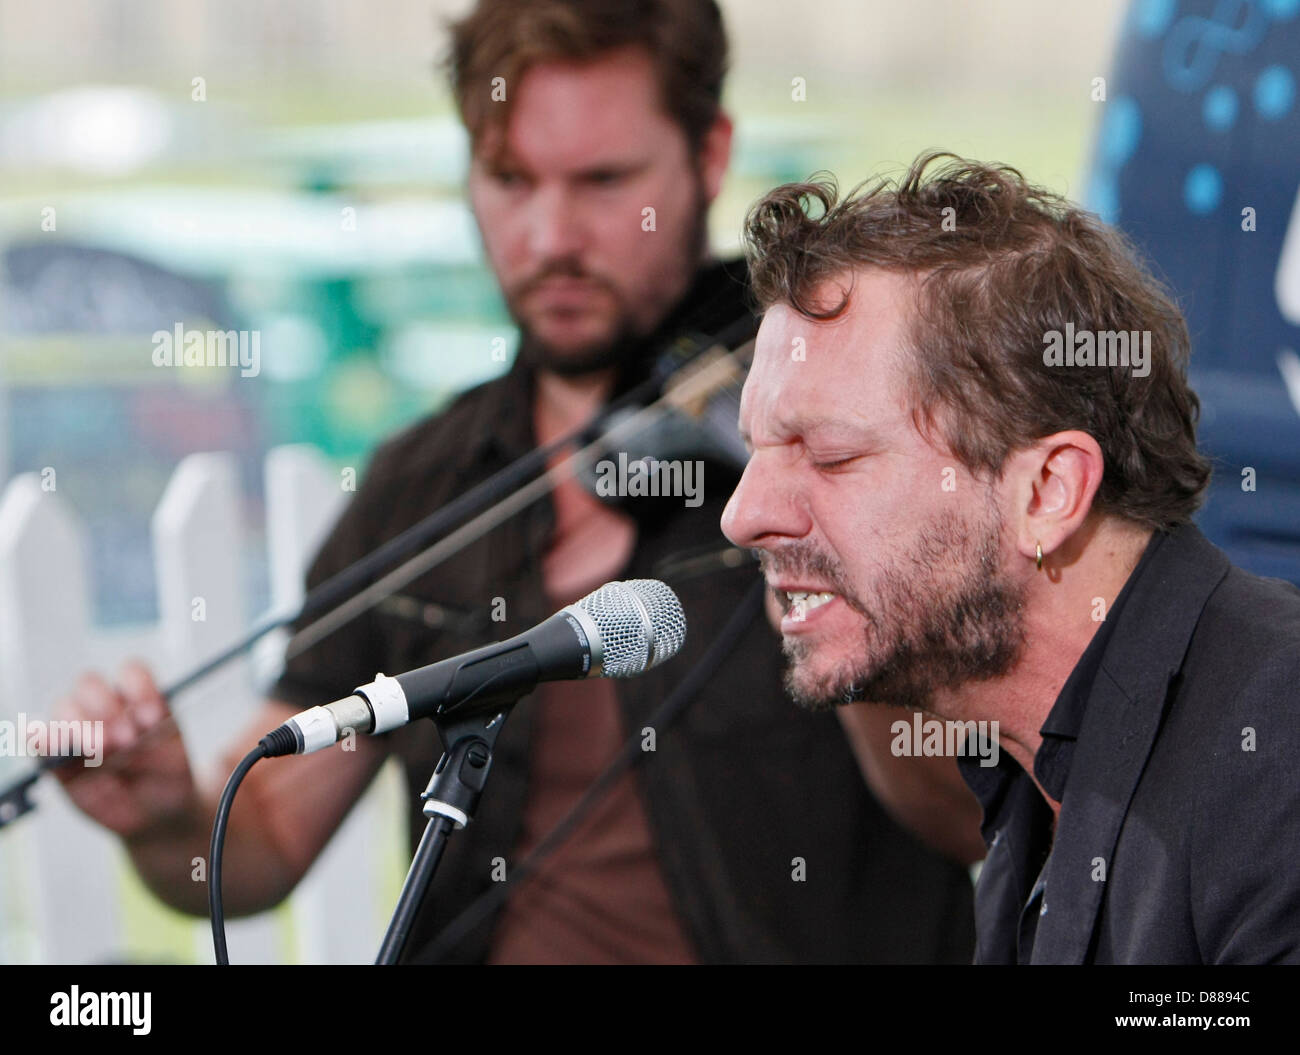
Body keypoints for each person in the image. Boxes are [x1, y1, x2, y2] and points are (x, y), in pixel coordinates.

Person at [54, 1, 980, 964]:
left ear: (709, 157)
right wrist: (167, 818)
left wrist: (846, 567)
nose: (550, 237)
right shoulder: (422, 483)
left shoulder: (845, 423)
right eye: (510, 179)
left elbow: (971, 822)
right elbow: (265, 848)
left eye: (604, 180)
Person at [721, 149, 1300, 964]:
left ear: (1050, 492)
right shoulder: (1027, 773)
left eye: (830, 455)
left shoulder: (1277, 737)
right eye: (756, 450)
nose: (744, 514)